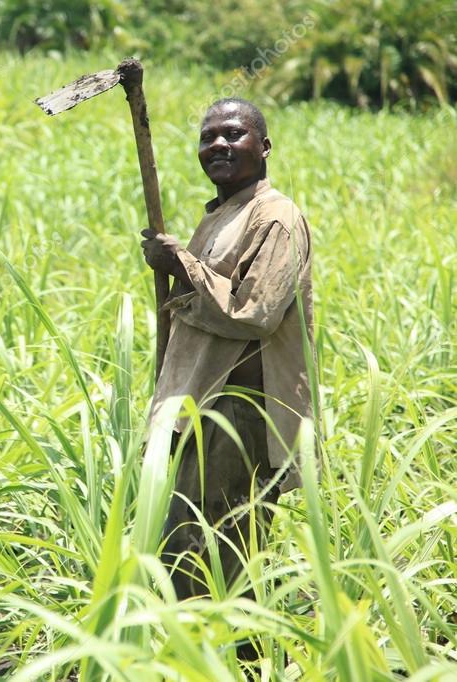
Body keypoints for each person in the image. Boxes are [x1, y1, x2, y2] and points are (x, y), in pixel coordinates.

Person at [139, 97, 314, 607]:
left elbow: (256, 311)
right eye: (208, 136)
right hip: (200, 403)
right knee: (184, 548)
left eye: (233, 134)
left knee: (221, 555)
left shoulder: (274, 216)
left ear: (264, 147)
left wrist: (183, 267)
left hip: (239, 406)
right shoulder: (221, 216)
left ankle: (238, 663)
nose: (218, 144)